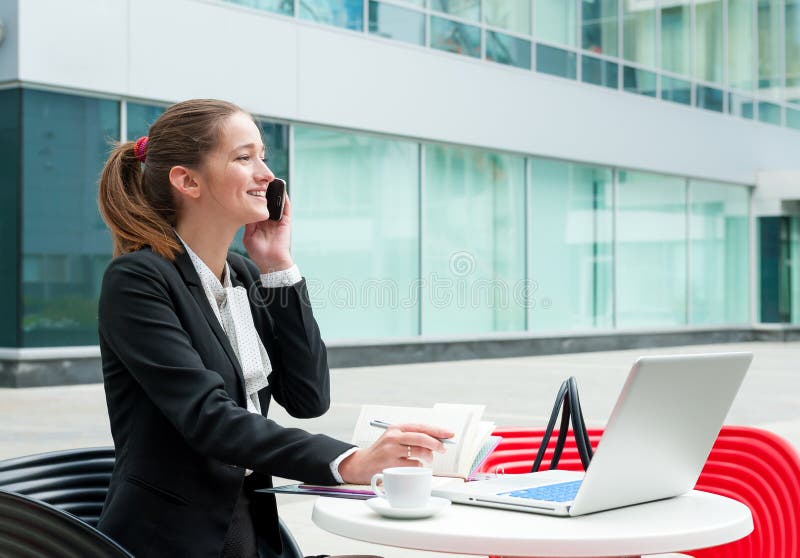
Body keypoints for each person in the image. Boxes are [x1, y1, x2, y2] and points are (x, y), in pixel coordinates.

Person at [95, 99, 452, 558]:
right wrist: (348, 461)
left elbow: (307, 398)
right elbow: (209, 419)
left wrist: (279, 266)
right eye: (244, 158)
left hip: (251, 530)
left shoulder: (242, 274)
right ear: (187, 180)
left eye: (263, 156)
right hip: (172, 539)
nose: (267, 173)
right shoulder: (137, 280)